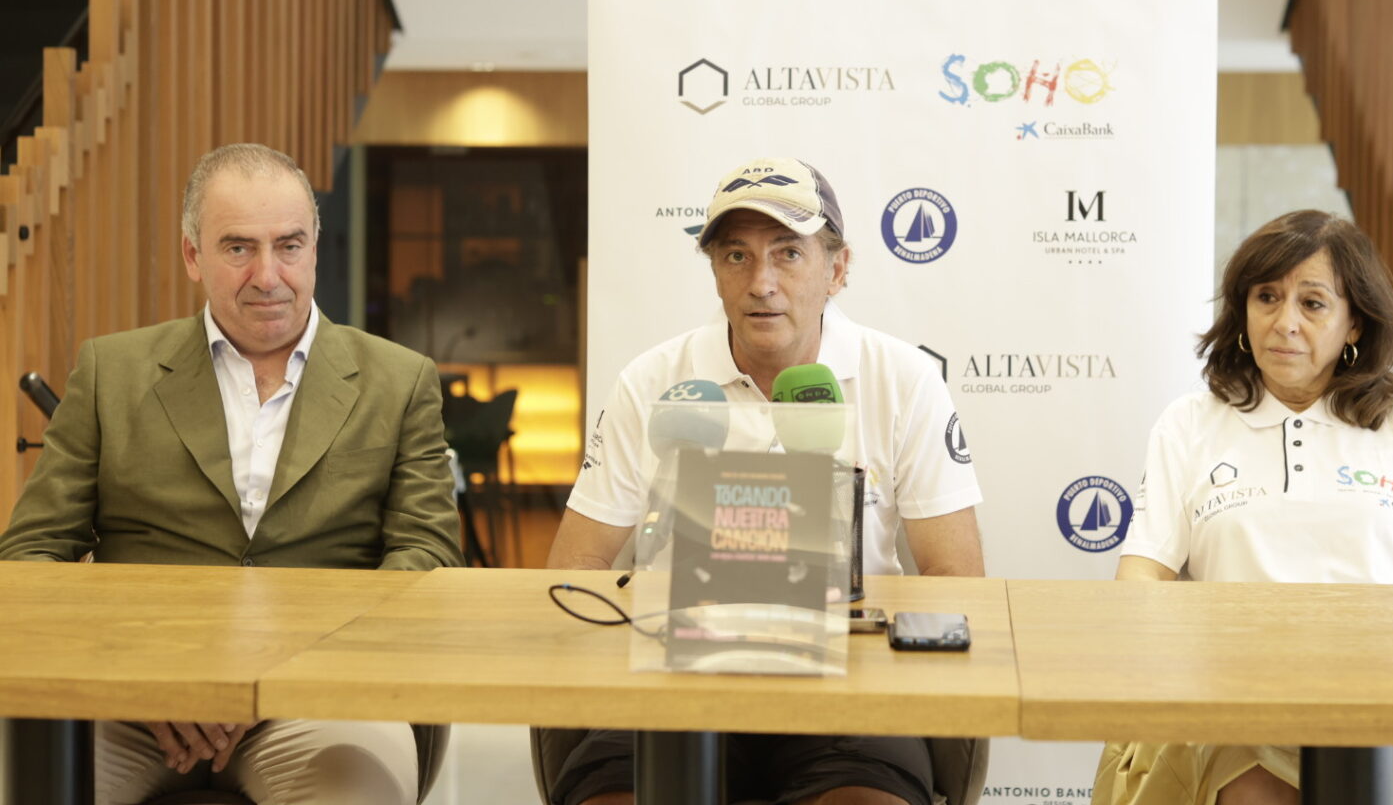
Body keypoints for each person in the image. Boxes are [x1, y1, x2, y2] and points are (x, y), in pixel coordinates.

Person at [0, 143, 464, 805]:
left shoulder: (400, 380)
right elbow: (29, 557)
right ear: (193, 255)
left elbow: (427, 562)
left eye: (289, 246)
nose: (268, 275)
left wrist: (277, 675)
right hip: (129, 703)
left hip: (317, 695)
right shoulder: (110, 373)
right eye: (239, 248)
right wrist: (137, 677)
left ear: (314, 249)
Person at [545, 156, 985, 805]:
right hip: (673, 685)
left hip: (850, 687)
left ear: (837, 269)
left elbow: (956, 576)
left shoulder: (903, 379)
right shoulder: (652, 381)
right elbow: (575, 565)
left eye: (788, 253)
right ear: (715, 272)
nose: (761, 283)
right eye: (736, 256)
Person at [1093, 209, 1393, 805]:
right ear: (1243, 312)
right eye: (1267, 297)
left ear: (1354, 325)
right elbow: (1141, 580)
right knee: (1250, 788)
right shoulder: (1189, 424)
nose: (1285, 323)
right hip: (1232, 697)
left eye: (1313, 303)